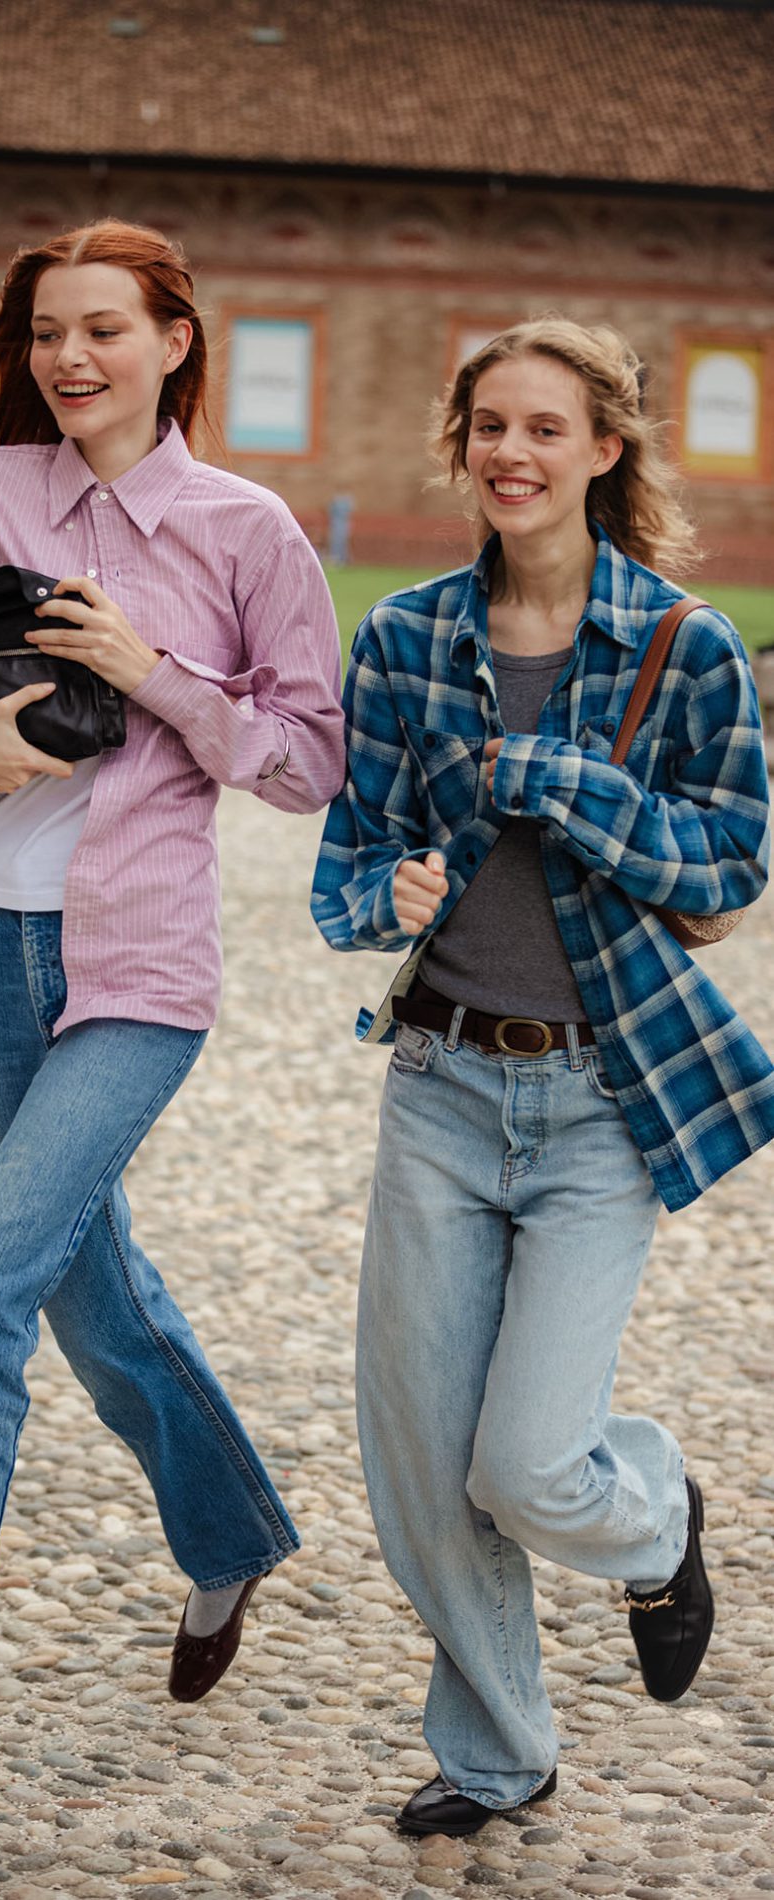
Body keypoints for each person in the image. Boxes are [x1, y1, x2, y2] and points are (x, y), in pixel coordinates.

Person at [0, 218, 345, 1824]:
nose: (72, 357)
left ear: (175, 340)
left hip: (141, 976)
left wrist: (161, 675)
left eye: (105, 328)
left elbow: (310, 761)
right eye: (46, 332)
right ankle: (230, 1533)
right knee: (87, 1291)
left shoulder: (247, 532)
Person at [311, 317, 773, 1838]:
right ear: (462, 445)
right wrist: (385, 896)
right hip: (440, 1086)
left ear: (604, 449)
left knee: (523, 1464)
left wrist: (573, 786)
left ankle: (657, 1521)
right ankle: (499, 1755)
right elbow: (344, 866)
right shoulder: (403, 639)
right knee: (422, 1467)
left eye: (544, 428)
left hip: (601, 1104)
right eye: (489, 427)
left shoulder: (685, 647)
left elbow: (734, 863)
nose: (511, 453)